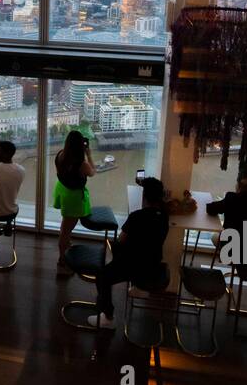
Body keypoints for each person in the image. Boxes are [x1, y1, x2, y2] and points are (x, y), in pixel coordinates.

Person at [88, 177, 169, 329]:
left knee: (102, 276)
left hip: (134, 265)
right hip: (154, 263)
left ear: (144, 196)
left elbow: (121, 240)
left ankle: (108, 317)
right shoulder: (164, 216)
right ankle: (138, 288)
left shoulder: (136, 217)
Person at [53, 130, 95, 270]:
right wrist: (89, 154)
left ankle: (65, 246)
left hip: (63, 190)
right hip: (73, 198)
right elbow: (92, 172)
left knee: (65, 227)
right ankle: (62, 259)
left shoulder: (60, 155)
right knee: (65, 231)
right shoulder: (81, 164)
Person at [207, 175, 247, 263]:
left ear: (239, 186)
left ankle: (236, 263)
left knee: (214, 236)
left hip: (232, 247)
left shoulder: (231, 198)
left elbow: (211, 209)